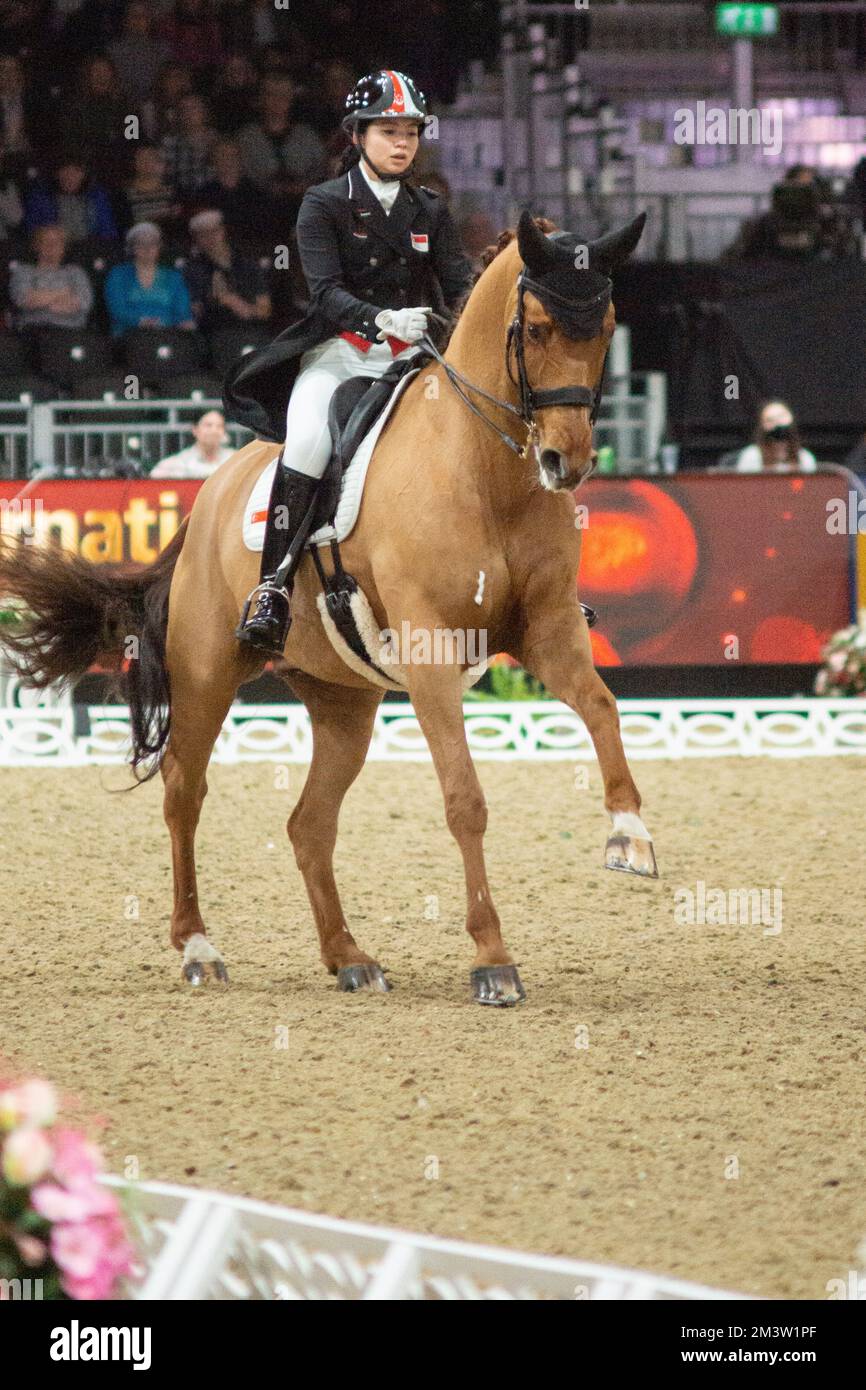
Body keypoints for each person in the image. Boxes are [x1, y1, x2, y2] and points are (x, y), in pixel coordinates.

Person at [226, 68, 473, 653]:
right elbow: (325, 292)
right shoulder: (325, 203)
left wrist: (458, 321)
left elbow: (460, 284)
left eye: (410, 132)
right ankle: (273, 587)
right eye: (388, 131)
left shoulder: (430, 210)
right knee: (309, 441)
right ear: (358, 136)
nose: (402, 143)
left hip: (413, 359)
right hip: (341, 352)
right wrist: (382, 319)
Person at [186, 208, 271, 331]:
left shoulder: (247, 265)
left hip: (252, 331)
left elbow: (265, 310)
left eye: (214, 231)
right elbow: (194, 310)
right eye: (203, 234)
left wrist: (236, 303)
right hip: (214, 334)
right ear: (196, 239)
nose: (210, 237)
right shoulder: (192, 270)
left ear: (223, 231)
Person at [104, 221, 195, 335]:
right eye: (140, 244)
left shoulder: (173, 276)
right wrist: (141, 322)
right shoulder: (118, 274)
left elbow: (183, 312)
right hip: (130, 335)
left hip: (168, 333)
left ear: (159, 247)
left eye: (152, 243)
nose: (147, 248)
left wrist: (165, 323)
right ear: (131, 248)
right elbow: (117, 310)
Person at [9, 224, 93, 330]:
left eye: (57, 242)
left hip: (71, 331)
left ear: (63, 248)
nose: (51, 246)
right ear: (36, 246)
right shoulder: (23, 271)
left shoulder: (75, 272)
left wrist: (41, 297)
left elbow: (84, 302)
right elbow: (24, 299)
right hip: (34, 331)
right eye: (45, 241)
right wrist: (64, 293)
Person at [24, 153, 118, 242]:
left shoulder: (97, 196)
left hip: (90, 249)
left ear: (84, 174)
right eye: (65, 170)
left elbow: (108, 232)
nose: (70, 176)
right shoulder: (41, 197)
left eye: (76, 170)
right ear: (57, 173)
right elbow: (33, 231)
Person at [732, 401, 817, 474]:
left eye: (781, 416)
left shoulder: (805, 458)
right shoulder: (751, 456)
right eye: (770, 420)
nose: (777, 423)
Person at [149, 409, 234, 478]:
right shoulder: (178, 462)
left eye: (219, 426)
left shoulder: (235, 459)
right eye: (208, 425)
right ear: (195, 429)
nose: (214, 431)